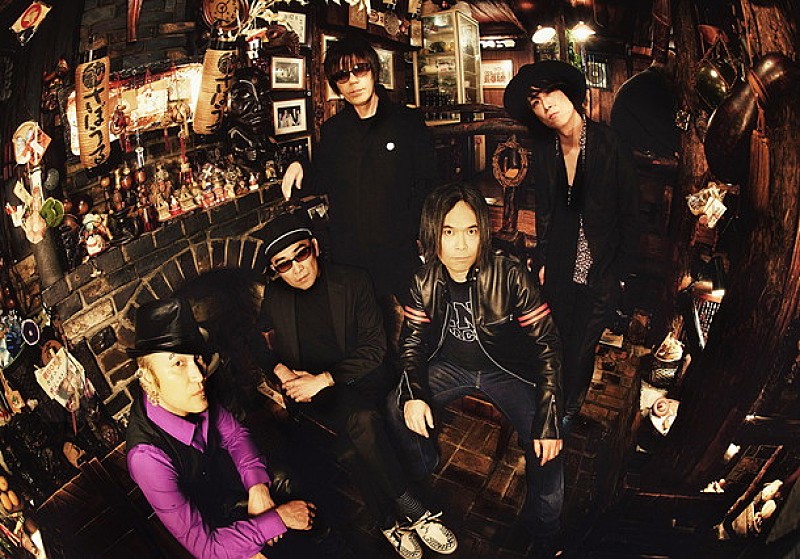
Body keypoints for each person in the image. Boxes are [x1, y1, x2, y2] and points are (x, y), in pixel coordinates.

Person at [250, 212, 457, 559]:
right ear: (275, 270)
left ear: (315, 247)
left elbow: (375, 349)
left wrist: (324, 379)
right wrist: (282, 372)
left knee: (355, 438)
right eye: (284, 264)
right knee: (360, 427)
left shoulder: (354, 280)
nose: (297, 269)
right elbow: (257, 343)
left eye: (301, 254)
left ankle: (392, 519)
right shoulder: (275, 295)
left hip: (362, 381)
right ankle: (412, 510)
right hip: (312, 395)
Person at [387, 183, 564, 557]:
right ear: (433, 234)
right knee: (396, 404)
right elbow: (412, 343)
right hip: (450, 367)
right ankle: (424, 464)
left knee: (547, 447)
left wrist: (548, 418)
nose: (462, 245)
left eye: (471, 231)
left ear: (483, 232)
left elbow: (547, 345)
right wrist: (415, 395)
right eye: (449, 232)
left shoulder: (510, 275)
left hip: (506, 371)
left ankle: (546, 533)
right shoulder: (423, 280)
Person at [280, 34, 436, 356]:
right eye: (342, 76)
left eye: (359, 70)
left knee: (421, 330)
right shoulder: (335, 130)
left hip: (398, 249)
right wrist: (299, 166)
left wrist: (421, 236)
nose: (352, 81)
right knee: (365, 338)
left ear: (374, 71)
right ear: (336, 85)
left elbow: (429, 184)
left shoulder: (407, 122)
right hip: (351, 255)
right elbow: (321, 177)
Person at [125, 297, 317, 559]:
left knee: (286, 478)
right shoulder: (147, 459)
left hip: (223, 487)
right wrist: (280, 518)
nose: (198, 375)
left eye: (197, 358)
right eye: (177, 364)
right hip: (207, 529)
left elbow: (236, 436)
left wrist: (257, 487)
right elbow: (207, 548)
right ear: (148, 378)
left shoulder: (193, 396)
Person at [504, 60, 639, 428]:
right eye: (535, 102)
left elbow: (630, 215)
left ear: (568, 93)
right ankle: (549, 400)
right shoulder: (546, 149)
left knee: (582, 347)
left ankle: (567, 409)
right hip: (561, 261)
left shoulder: (609, 144)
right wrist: (542, 260)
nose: (546, 105)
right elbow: (546, 212)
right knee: (555, 338)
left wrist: (621, 275)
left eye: (550, 93)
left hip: (601, 265)